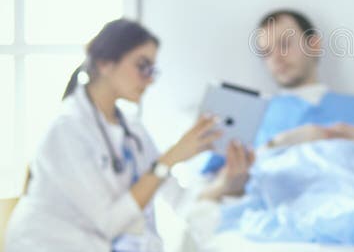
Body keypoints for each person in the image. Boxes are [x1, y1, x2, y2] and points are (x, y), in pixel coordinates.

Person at [4, 19, 251, 252]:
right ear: (104, 63)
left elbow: (180, 201)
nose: (150, 79)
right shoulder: (66, 130)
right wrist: (170, 158)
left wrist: (227, 181)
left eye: (153, 69)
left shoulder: (132, 130)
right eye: (142, 66)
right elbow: (110, 223)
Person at [201, 9, 354, 174]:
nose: (276, 58)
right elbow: (217, 184)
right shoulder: (251, 115)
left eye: (285, 44)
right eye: (266, 52)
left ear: (313, 44)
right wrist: (278, 144)